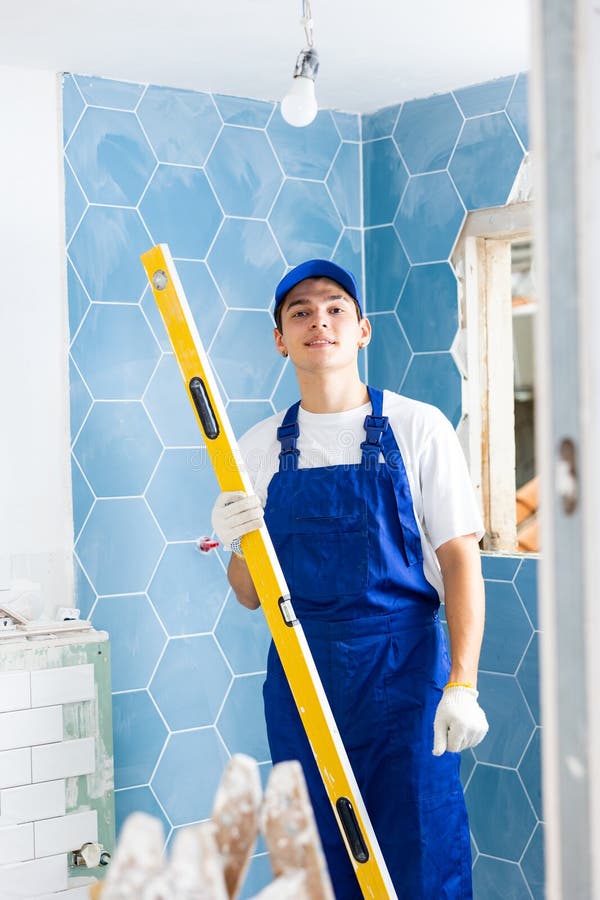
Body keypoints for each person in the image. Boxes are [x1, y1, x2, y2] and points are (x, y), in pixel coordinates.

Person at [211, 259, 489, 899]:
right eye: (300, 313)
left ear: (362, 329)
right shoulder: (258, 448)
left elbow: (459, 563)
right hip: (303, 687)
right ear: (280, 338)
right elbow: (250, 592)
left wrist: (464, 684)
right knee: (317, 873)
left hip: (406, 683)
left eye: (335, 308)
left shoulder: (420, 429)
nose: (320, 322)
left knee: (422, 860)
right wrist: (235, 536)